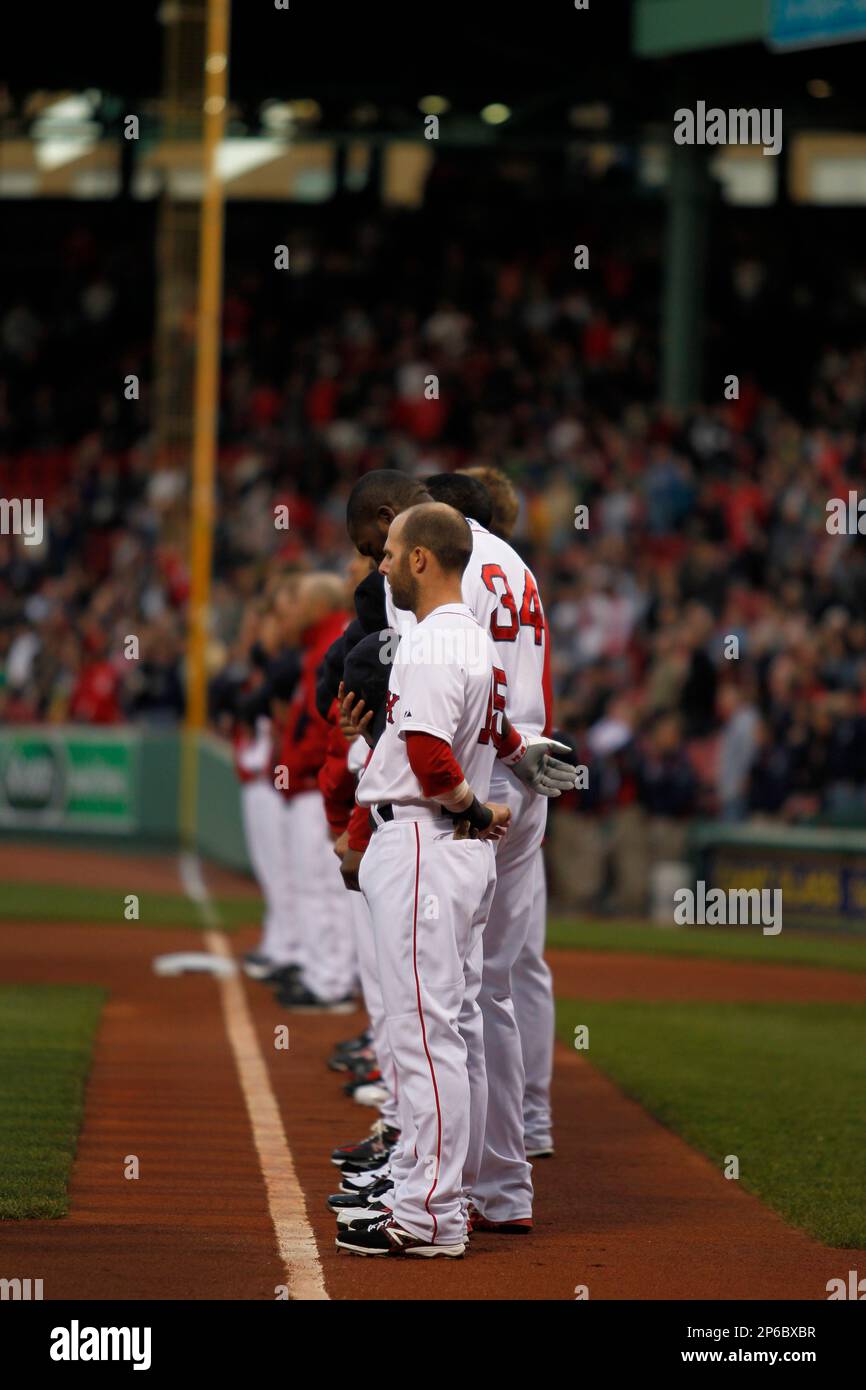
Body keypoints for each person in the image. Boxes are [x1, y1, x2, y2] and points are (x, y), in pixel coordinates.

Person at [335, 502, 510, 1257]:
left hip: (426, 843)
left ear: (420, 560)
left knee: (424, 1036)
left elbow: (434, 758)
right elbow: (497, 738)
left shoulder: (437, 640)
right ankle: (422, 1187)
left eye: (389, 552)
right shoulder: (471, 636)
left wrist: (473, 806)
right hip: (443, 848)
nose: (380, 565)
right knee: (435, 1032)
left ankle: (428, 1214)